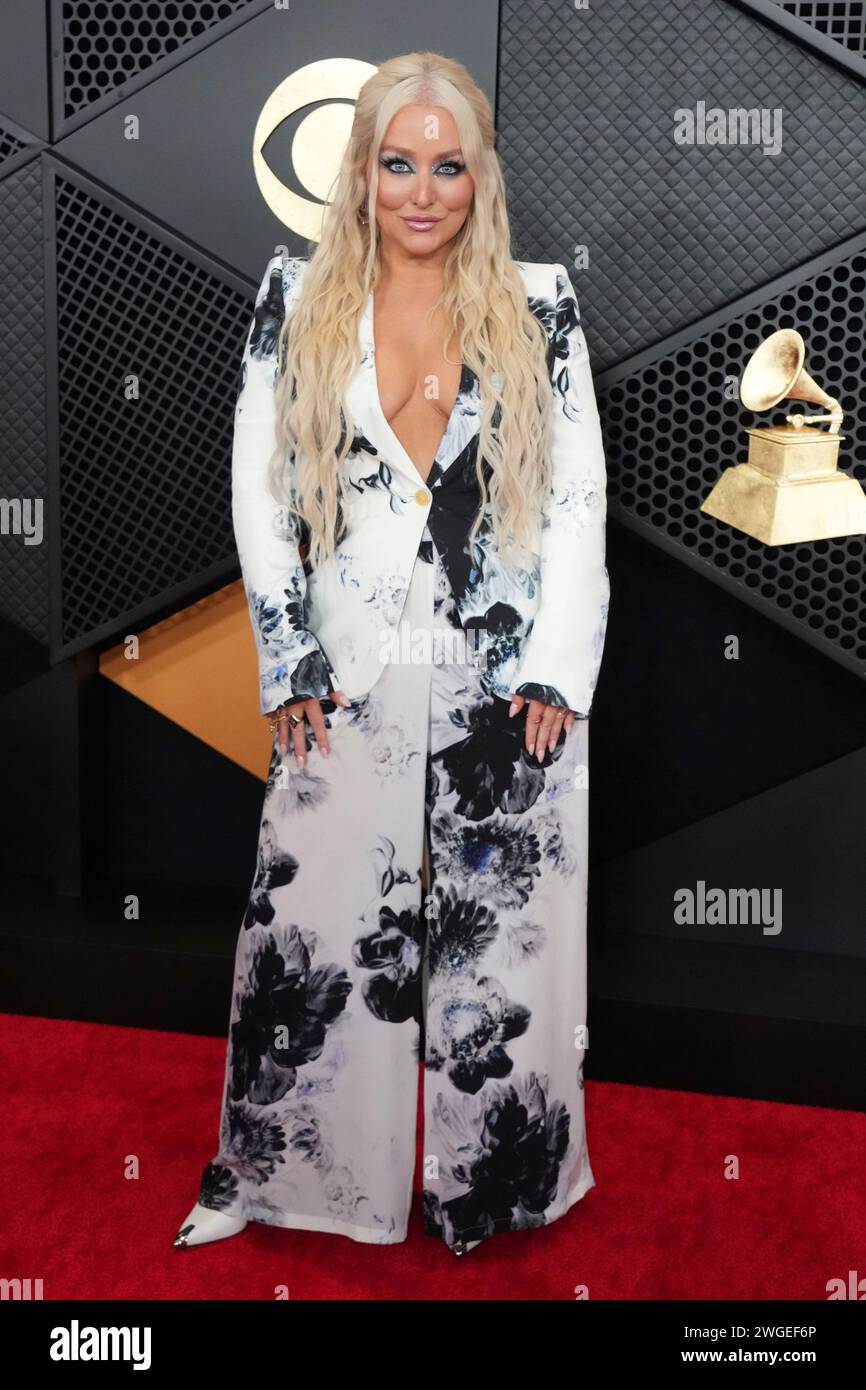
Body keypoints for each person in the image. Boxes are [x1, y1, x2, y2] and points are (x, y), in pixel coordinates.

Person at [174, 50, 610, 1259]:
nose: (422, 190)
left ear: (479, 177)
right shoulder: (295, 295)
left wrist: (555, 670)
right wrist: (287, 658)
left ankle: (499, 1186)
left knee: (505, 930)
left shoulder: (539, 303)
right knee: (309, 925)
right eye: (397, 163)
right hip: (347, 656)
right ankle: (272, 1176)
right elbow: (262, 490)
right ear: (361, 172)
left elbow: (575, 495)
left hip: (502, 665)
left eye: (448, 165)